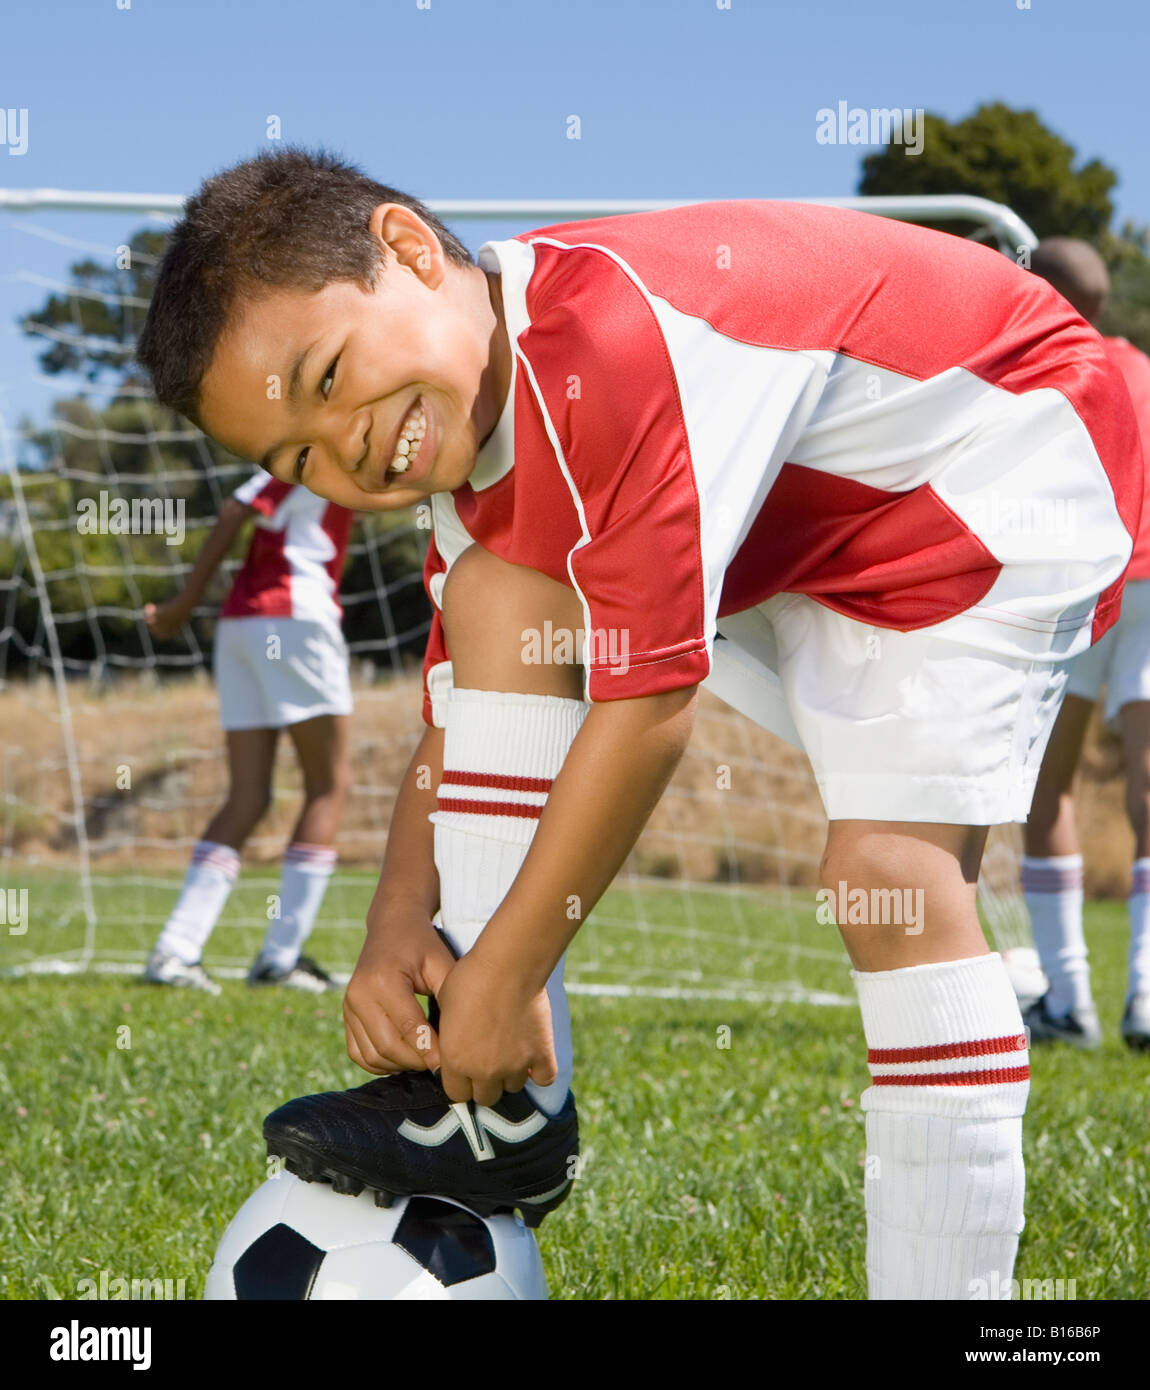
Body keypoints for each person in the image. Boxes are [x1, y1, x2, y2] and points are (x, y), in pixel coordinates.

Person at [135, 148, 1140, 1297]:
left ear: (409, 250)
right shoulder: (479, 447)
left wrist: (505, 972)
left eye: (326, 376)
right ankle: (502, 1114)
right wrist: (394, 923)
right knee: (500, 593)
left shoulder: (615, 341)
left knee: (893, 874)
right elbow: (457, 700)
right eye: (294, 457)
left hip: (999, 448)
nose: (342, 448)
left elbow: (647, 709)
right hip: (814, 522)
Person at [142, 469, 354, 995]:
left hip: (241, 623)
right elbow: (238, 510)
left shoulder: (295, 447)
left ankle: (176, 950)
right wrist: (183, 603)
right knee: (328, 786)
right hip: (293, 616)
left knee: (249, 795)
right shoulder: (310, 447)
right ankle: (280, 958)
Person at [1019, 237, 1150, 1051]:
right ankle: (1147, 998)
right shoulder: (1144, 370)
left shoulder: (1042, 374)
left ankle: (1070, 1003)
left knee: (1044, 789)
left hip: (1080, 585)